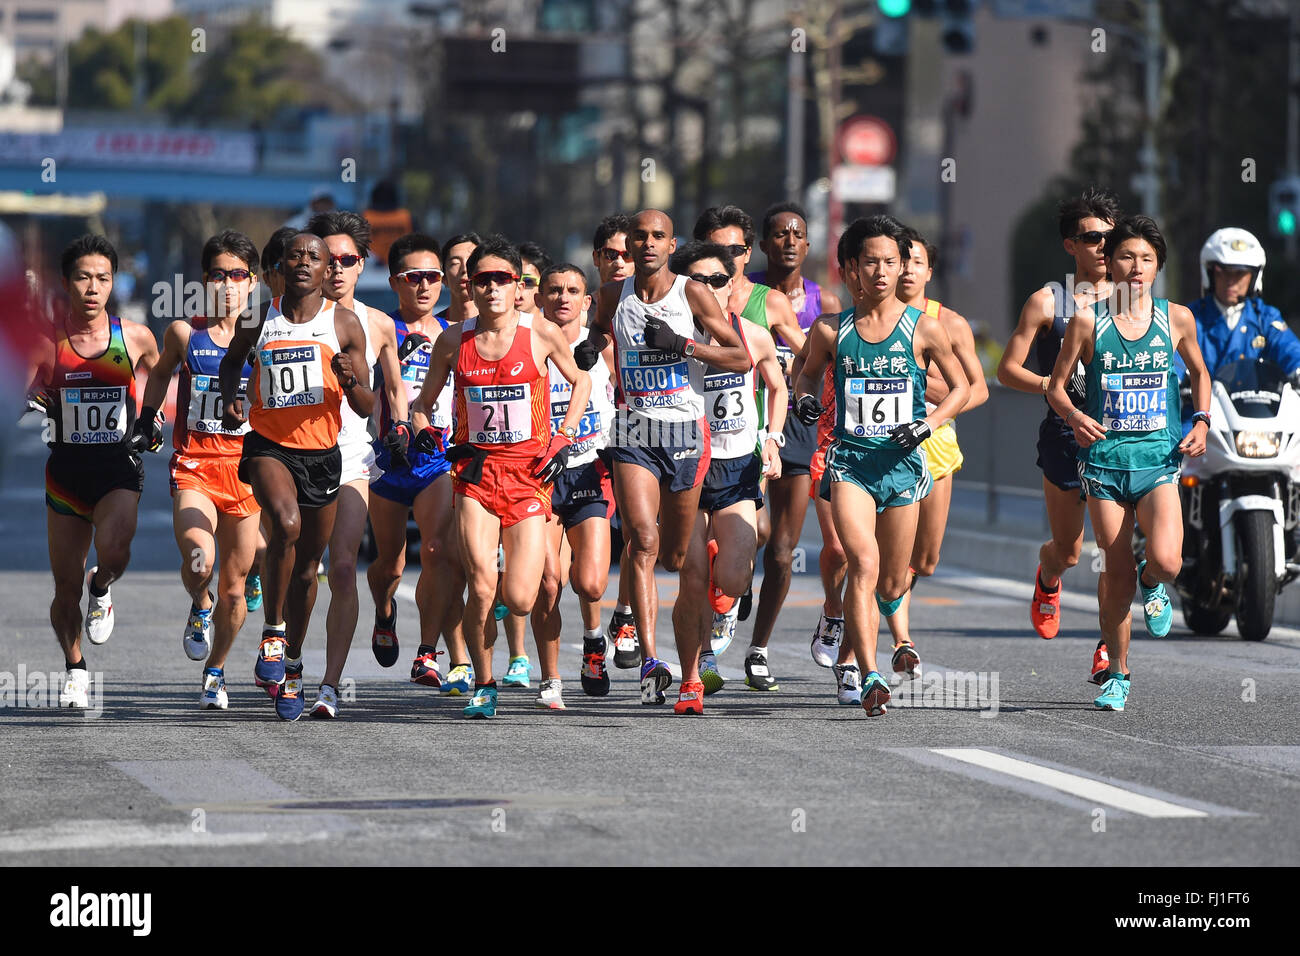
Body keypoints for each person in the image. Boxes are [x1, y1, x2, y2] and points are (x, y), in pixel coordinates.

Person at [793, 215, 970, 716]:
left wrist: (927, 424)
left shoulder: (926, 330)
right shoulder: (831, 330)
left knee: (894, 581)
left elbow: (960, 389)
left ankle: (894, 625)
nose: (881, 271)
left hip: (904, 465)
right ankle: (868, 673)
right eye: (869, 261)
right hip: (850, 463)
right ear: (850, 269)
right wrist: (805, 401)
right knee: (862, 563)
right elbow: (805, 378)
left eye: (890, 262)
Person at [409, 236, 591, 719]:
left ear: (518, 287)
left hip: (529, 476)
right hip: (473, 475)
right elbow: (421, 405)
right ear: (469, 285)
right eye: (481, 279)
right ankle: (483, 683)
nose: (491, 288)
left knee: (520, 595)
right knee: (482, 585)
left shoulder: (541, 333)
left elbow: (581, 381)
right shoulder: (453, 340)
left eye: (501, 280)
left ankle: (526, 660)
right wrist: (426, 432)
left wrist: (564, 437)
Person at [581, 209, 751, 707]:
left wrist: (682, 345)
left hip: (685, 431)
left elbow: (739, 356)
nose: (649, 243)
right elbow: (597, 331)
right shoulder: (613, 295)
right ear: (628, 245)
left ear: (672, 244)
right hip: (634, 428)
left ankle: (693, 676)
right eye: (640, 236)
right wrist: (592, 349)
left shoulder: (690, 293)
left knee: (680, 560)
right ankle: (653, 662)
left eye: (658, 236)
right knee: (642, 537)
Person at [1046, 215, 1211, 711]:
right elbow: (1055, 387)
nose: (1135, 267)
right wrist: (1075, 417)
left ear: (1158, 264)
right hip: (1104, 464)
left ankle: (1152, 581)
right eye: (1125, 256)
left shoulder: (1176, 318)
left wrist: (1200, 422)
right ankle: (1118, 673)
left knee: (1167, 561)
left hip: (1159, 459)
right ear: (1109, 263)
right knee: (1113, 571)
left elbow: (1200, 372)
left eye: (1146, 258)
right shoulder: (1087, 321)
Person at [219, 232, 373, 721]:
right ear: (281, 265)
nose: (304, 262)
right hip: (268, 446)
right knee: (285, 525)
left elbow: (368, 405)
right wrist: (231, 398)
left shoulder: (344, 323)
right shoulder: (258, 317)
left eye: (315, 257)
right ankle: (272, 633)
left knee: (310, 569)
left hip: (323, 457)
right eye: (295, 255)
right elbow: (230, 363)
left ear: (329, 270)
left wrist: (351, 382)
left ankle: (293, 664)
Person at [26, 235, 159, 709]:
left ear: (113, 283)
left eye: (102, 278)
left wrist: (154, 418)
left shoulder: (136, 337)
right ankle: (75, 668)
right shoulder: (48, 345)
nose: (92, 287)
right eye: (83, 277)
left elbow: (159, 382)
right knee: (64, 587)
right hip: (65, 476)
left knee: (116, 550)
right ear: (66, 283)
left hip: (116, 468)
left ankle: (101, 585)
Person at [997, 186, 1120, 682]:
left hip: (1123, 437)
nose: (1104, 249)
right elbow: (1007, 370)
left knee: (1117, 549)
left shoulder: (1138, 298)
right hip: (1066, 435)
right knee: (1071, 550)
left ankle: (1109, 648)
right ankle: (1048, 578)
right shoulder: (1049, 302)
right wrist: (1053, 385)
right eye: (1092, 238)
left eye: (1111, 238)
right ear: (1070, 245)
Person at [140, 230, 262, 709]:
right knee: (200, 559)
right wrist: (146, 420)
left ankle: (216, 670)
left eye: (238, 275)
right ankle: (199, 603)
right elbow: (159, 373)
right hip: (195, 466)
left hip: (247, 471)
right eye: (218, 275)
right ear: (205, 281)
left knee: (236, 589)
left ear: (251, 282)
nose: (228, 285)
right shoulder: (184, 334)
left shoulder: (266, 336)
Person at [670, 241, 787, 707]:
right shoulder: (669, 338)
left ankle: (725, 596)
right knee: (691, 575)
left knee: (734, 578)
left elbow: (777, 386)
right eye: (700, 282)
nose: (712, 290)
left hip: (737, 464)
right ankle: (694, 672)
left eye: (720, 280)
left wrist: (772, 440)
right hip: (684, 462)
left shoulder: (752, 334)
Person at [692, 205, 804, 676]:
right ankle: (695, 662)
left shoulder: (764, 306)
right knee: (684, 560)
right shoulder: (681, 304)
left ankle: (729, 589)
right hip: (689, 452)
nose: (729, 261)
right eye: (718, 252)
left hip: (746, 444)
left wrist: (775, 436)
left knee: (757, 540)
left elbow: (805, 358)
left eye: (736, 250)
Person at [306, 211, 406, 719]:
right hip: (291, 455)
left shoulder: (378, 323)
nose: (339, 269)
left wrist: (404, 426)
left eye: (349, 260)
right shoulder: (285, 319)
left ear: (361, 264)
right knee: (298, 568)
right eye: (330, 259)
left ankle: (328, 685)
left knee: (342, 567)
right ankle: (281, 647)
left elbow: (393, 392)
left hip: (349, 456)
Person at [366, 233, 473, 695]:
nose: (426, 286)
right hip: (387, 458)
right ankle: (385, 611)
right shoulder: (376, 330)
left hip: (436, 455)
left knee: (437, 552)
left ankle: (427, 652)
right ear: (395, 283)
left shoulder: (452, 336)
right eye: (415, 278)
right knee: (390, 563)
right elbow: (359, 399)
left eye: (433, 276)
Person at [881, 228, 989, 674]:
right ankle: (898, 641)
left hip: (936, 445)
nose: (907, 270)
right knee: (881, 556)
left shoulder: (950, 323)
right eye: (898, 261)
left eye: (916, 262)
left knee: (924, 559)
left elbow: (978, 390)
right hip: (882, 445)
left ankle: (879, 607)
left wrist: (932, 407)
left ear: (929, 270)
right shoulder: (873, 319)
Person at [745, 202, 844, 676]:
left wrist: (800, 370)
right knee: (748, 535)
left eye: (797, 233)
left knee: (782, 548)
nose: (788, 240)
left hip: (799, 427)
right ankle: (732, 590)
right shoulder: (743, 294)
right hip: (742, 422)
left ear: (807, 245)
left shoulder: (824, 303)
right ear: (762, 245)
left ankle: (758, 648)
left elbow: (836, 366)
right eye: (779, 233)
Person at [531, 263, 618, 706]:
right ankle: (550, 678)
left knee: (591, 583)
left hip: (590, 471)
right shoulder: (525, 346)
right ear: (539, 298)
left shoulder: (603, 349)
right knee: (548, 581)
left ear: (587, 302)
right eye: (553, 290)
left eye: (572, 291)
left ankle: (593, 640)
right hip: (540, 477)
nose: (562, 298)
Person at [589, 213, 641, 667]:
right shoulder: (578, 309)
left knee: (637, 531)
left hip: (638, 436)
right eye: (612, 254)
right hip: (582, 447)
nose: (622, 262)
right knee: (578, 568)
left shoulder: (654, 308)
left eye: (629, 254)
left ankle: (624, 614)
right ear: (597, 258)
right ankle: (589, 633)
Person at [1181, 227, 1300, 389]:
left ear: (1253, 277)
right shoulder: (1188, 318)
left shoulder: (1265, 318)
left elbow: (1291, 351)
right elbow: (1172, 365)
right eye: (1223, 272)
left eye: (1239, 274)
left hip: (1258, 412)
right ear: (1210, 274)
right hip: (1201, 412)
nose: (1231, 281)